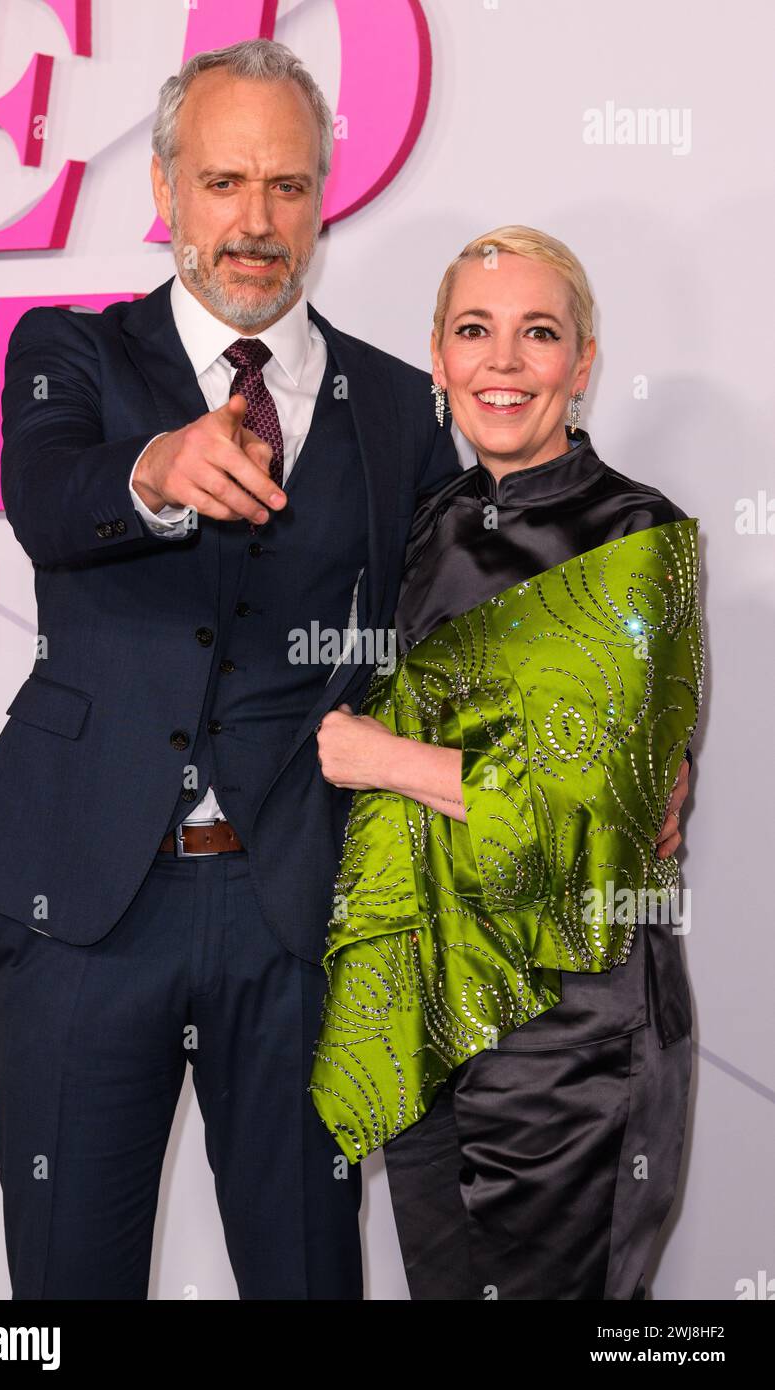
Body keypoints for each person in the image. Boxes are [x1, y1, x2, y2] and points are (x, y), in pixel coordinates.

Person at [0, 39, 463, 1300]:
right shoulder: (71, 354)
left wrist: (607, 721)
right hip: (81, 906)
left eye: (286, 186)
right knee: (67, 1290)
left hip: (296, 917)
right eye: (223, 182)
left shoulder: (395, 406)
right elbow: (50, 493)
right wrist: (157, 470)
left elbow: (464, 623)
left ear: (323, 199)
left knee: (305, 1278)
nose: (254, 220)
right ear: (167, 191)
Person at [312, 226, 700, 1300]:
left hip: (570, 1044)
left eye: (538, 334)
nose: (502, 361)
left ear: (581, 363)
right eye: (473, 331)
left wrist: (381, 757)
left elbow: (599, 816)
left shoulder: (634, 532)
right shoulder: (420, 524)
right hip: (428, 1029)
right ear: (436, 358)